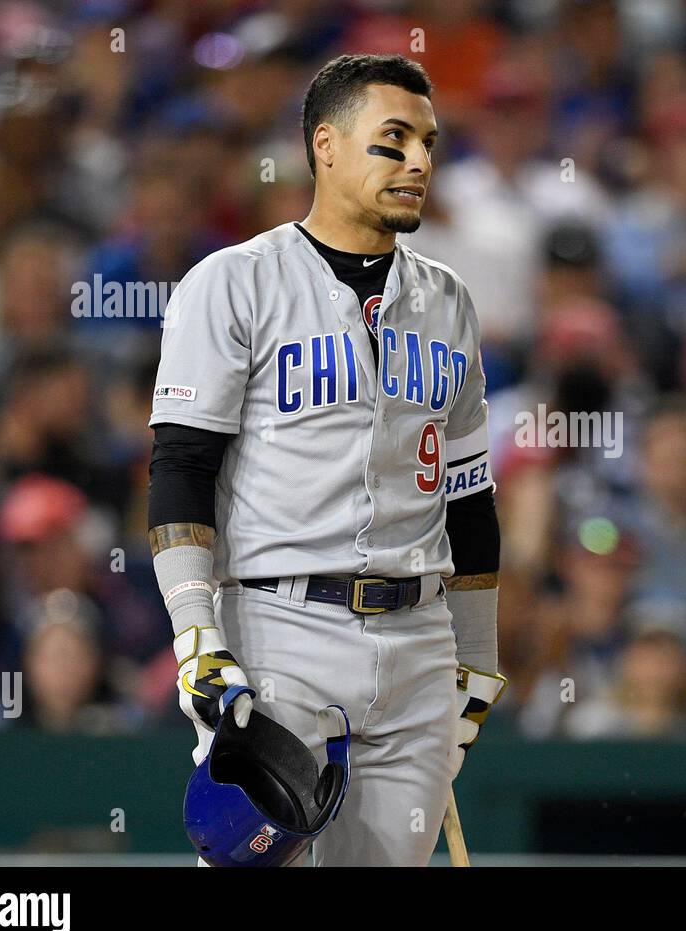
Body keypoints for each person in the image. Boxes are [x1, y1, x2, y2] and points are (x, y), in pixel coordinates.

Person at [146, 54, 504, 866]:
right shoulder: (234, 282)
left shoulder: (448, 300)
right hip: (279, 631)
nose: (418, 160)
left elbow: (469, 495)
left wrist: (477, 661)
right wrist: (195, 632)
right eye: (393, 140)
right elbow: (181, 467)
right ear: (326, 146)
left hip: (419, 644)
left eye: (428, 142)